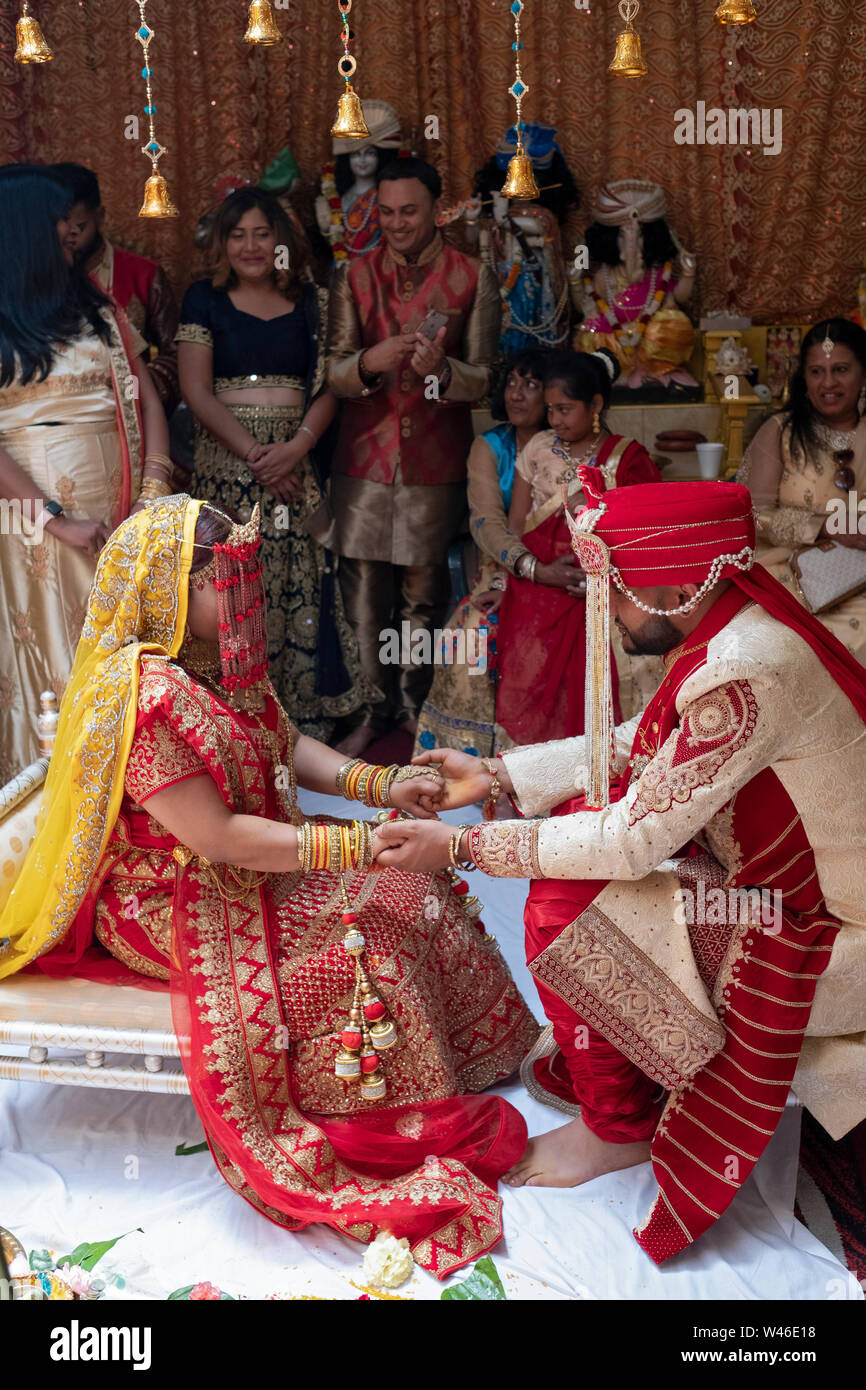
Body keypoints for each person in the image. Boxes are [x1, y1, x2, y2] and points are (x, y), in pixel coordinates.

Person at [0, 495, 539, 1277]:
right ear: (168, 589)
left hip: (247, 863)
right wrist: (353, 846)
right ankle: (391, 1120)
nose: (245, 599)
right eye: (226, 582)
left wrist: (378, 783)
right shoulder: (143, 702)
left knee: (414, 891)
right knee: (365, 932)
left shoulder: (215, 662)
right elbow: (217, 836)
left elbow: (287, 743)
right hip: (176, 896)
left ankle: (463, 1064)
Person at [374, 473, 866, 1266]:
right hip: (778, 881)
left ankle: (618, 1128)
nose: (610, 613)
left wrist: (464, 847)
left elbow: (632, 840)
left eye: (619, 589)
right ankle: (630, 1080)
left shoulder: (747, 667)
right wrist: (496, 777)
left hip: (816, 923)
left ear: (678, 581)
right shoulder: (732, 632)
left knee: (572, 896)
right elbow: (643, 741)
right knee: (572, 845)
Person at [176, 186, 371, 741]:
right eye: (237, 235)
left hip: (295, 462)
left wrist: (296, 448)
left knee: (298, 583)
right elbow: (196, 390)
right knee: (235, 582)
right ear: (222, 243)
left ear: (281, 240)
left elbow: (334, 383)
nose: (251, 246)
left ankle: (301, 719)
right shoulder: (204, 299)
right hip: (228, 467)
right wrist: (260, 458)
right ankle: (238, 718)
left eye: (262, 233)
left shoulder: (312, 301)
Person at [0, 165, 173, 783]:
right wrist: (54, 521)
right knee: (56, 659)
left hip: (121, 508)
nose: (71, 232)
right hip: (31, 521)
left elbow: (146, 397)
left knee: (126, 653)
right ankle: (60, 809)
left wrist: (152, 491)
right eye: (56, 221)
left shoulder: (97, 307)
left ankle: (138, 807)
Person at [327, 155, 501, 747]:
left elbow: (488, 379)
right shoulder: (354, 275)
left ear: (436, 210)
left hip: (435, 456)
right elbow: (332, 373)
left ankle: (412, 711)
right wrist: (367, 364)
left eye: (410, 212)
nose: (397, 224)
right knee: (362, 592)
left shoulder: (471, 275)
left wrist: (446, 370)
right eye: (387, 212)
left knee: (425, 596)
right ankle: (370, 710)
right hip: (364, 456)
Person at [494, 349, 661, 746]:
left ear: (596, 405)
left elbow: (645, 535)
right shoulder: (538, 447)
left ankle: (597, 763)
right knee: (527, 657)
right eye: (550, 410)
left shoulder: (626, 458)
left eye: (565, 409)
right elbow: (517, 526)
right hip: (538, 582)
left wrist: (601, 580)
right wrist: (518, 575)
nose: (555, 420)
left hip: (605, 586)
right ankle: (531, 765)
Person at [413, 348, 550, 757]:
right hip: (502, 567)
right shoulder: (490, 447)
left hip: (564, 569)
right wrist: (523, 568)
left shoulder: (571, 449)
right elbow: (485, 522)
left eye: (531, 385)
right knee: (472, 639)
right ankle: (470, 757)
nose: (516, 394)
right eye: (511, 382)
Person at [741, 318, 866, 662]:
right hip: (793, 574)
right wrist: (824, 526)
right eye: (816, 372)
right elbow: (752, 516)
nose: (828, 383)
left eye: (840, 369)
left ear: (863, 373)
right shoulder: (781, 433)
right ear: (804, 378)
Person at [49, 162, 180, 415]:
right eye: (61, 226)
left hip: (135, 408)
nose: (70, 236)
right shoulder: (38, 278)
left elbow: (177, 356)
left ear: (100, 217)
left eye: (80, 227)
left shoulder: (142, 274)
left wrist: (132, 386)